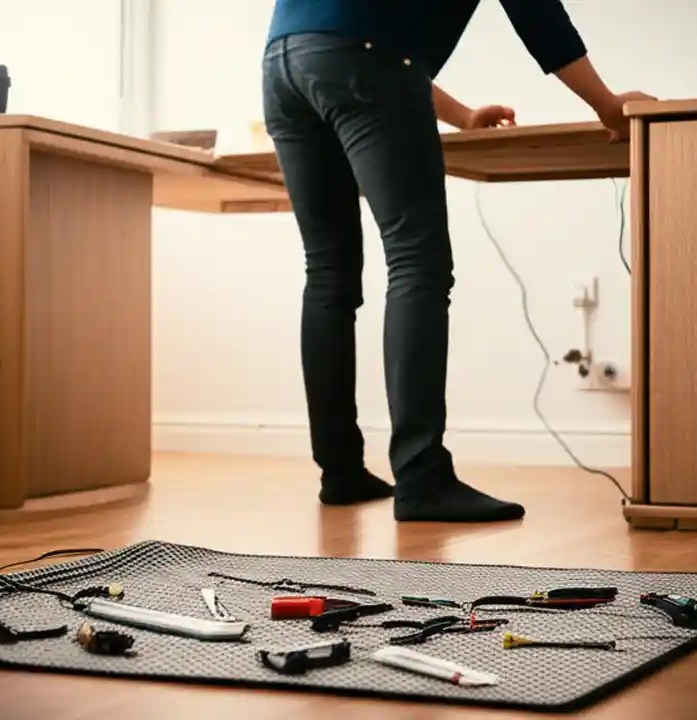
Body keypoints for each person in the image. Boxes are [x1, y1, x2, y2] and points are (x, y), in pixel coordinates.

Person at [262, 0, 654, 522]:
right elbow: (534, 11)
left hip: (283, 65)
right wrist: (605, 103)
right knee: (417, 264)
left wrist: (461, 116)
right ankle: (421, 477)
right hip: (361, 59)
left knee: (328, 272)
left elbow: (346, 34)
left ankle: (340, 471)